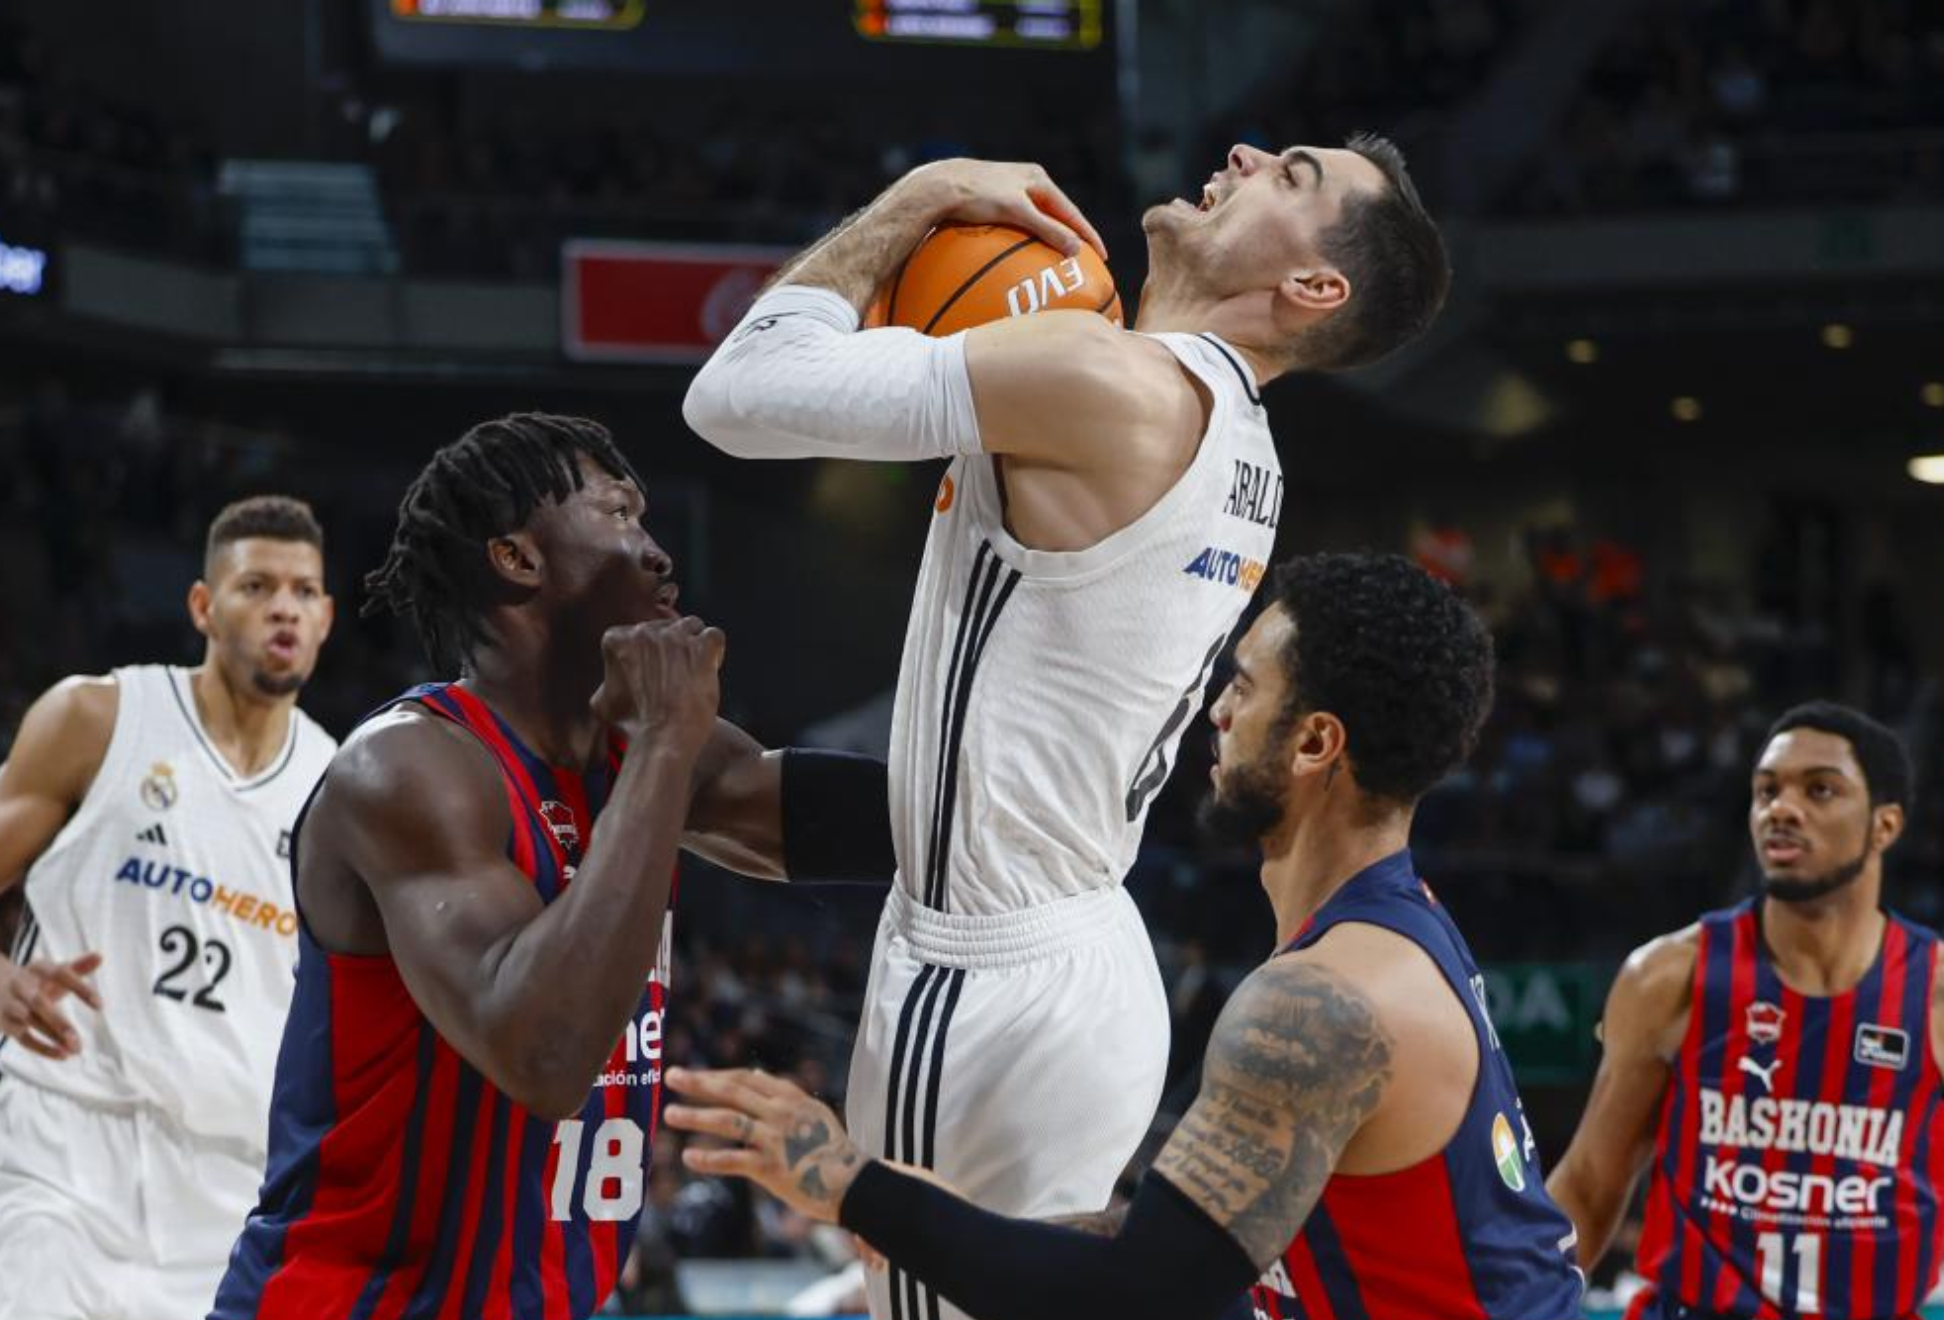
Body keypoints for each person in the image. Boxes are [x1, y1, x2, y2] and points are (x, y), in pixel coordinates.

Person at [683, 142, 1451, 1320]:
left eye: (1292, 176)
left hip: (987, 971)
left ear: (1315, 288)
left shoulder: (1115, 385)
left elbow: (733, 395)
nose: (1245, 154)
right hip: (1072, 956)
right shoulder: (1243, 449)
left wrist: (925, 193)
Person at [661, 553, 1585, 1320]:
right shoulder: (1395, 935)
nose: (1217, 713)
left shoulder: (1324, 1004)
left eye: (1245, 688)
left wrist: (846, 1181)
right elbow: (1192, 1262)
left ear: (1314, 745)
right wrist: (932, 1215)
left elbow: (1137, 1303)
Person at [211, 413, 893, 1320]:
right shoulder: (412, 769)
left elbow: (895, 826)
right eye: (619, 514)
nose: (657, 553)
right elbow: (543, 1053)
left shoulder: (643, 758)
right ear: (517, 559)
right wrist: (660, 746)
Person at [0, 496, 338, 1320]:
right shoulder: (97, 719)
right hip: (61, 1148)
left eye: (305, 592)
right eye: (258, 586)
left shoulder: (340, 787)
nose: (284, 607)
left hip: (231, 1188)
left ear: (327, 619)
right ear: (203, 605)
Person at [1548, 701, 1936, 1318]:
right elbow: (1590, 1186)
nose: (1781, 808)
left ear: (1884, 826)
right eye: (1766, 791)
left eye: (1821, 790)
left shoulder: (1933, 992)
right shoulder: (1670, 975)